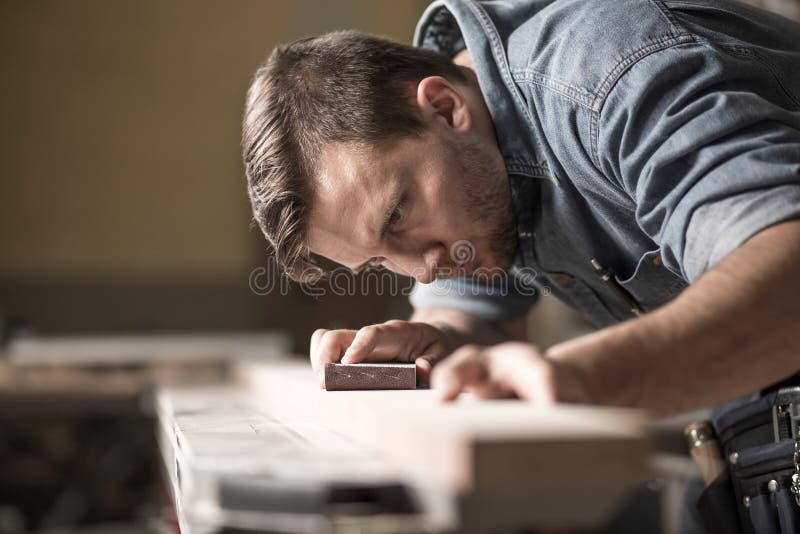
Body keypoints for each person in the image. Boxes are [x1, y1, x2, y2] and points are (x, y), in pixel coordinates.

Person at [241, 0, 800, 416]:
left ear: (443, 106)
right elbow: (474, 313)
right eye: (378, 261)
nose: (422, 267)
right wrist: (440, 342)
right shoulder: (469, 159)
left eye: (396, 218)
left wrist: (579, 378)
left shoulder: (611, 79)